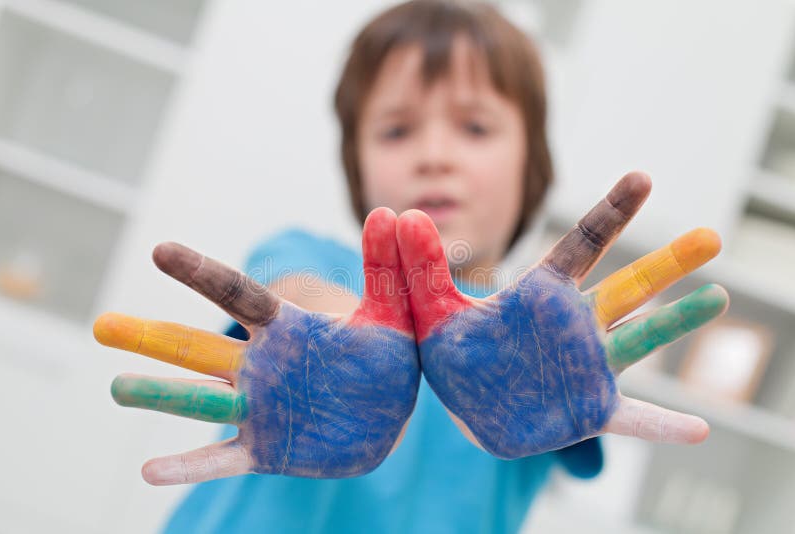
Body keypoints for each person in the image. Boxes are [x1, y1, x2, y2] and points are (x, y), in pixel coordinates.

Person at [94, 1, 726, 532]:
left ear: (531, 165)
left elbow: (569, 415)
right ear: (356, 163)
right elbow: (301, 293)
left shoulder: (548, 337)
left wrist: (504, 368)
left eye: (475, 127)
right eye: (396, 131)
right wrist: (351, 342)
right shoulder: (312, 260)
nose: (434, 155)